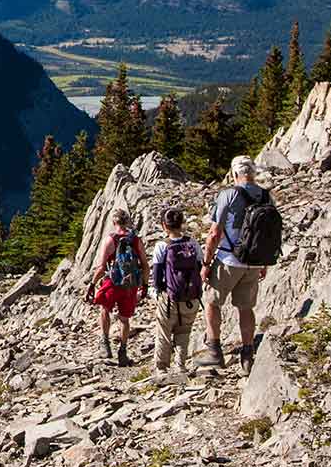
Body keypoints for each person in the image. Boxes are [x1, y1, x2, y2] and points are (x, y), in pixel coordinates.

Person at [198, 155, 273, 373]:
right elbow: (269, 233)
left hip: (228, 260)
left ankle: (214, 351)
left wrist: (206, 263)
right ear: (253, 173)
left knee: (212, 303)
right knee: (246, 308)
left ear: (234, 173)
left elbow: (214, 233)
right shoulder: (266, 196)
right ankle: (248, 355)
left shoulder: (228, 195)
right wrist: (264, 262)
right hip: (254, 262)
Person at [90, 208, 148, 366]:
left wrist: (92, 284)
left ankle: (105, 345)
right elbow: (144, 264)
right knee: (124, 319)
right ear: (127, 221)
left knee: (104, 309)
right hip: (130, 285)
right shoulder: (135, 240)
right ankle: (122, 352)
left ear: (114, 222)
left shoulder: (110, 240)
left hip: (112, 282)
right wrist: (144, 285)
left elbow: (101, 267)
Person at [150, 207, 202, 373]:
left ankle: (162, 368)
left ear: (164, 225)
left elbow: (157, 277)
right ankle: (180, 366)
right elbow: (200, 267)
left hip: (169, 298)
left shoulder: (162, 246)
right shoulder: (192, 243)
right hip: (191, 298)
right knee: (184, 331)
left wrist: (158, 292)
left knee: (164, 333)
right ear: (182, 223)